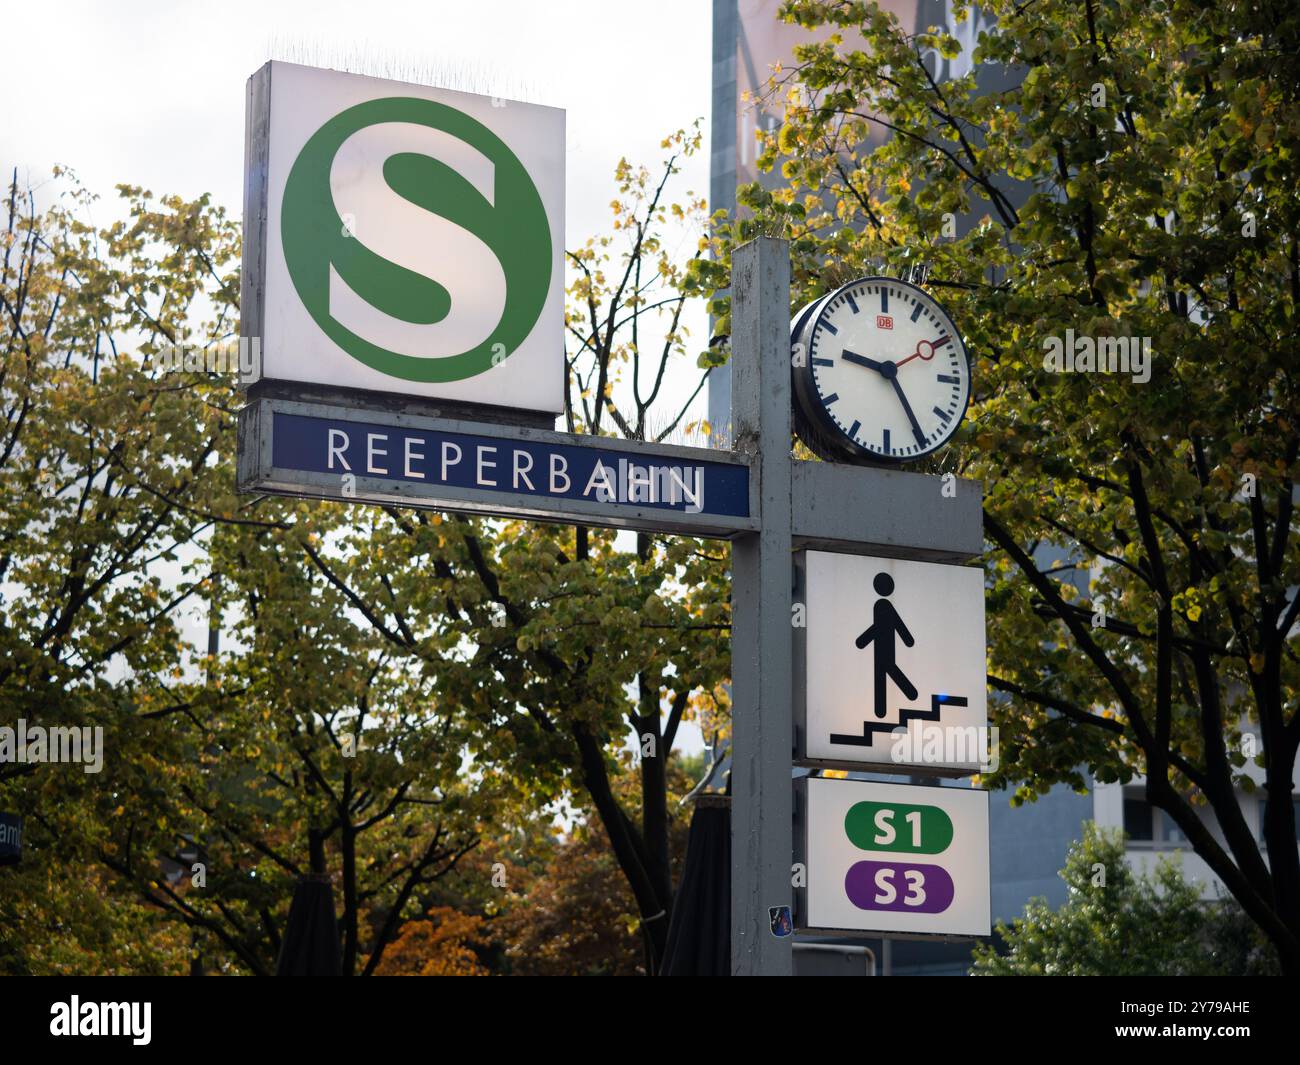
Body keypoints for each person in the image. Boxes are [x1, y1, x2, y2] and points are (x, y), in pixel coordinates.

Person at [854, 573, 918, 718]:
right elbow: (894, 625)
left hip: (883, 649)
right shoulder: (883, 605)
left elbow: (879, 627)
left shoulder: (881, 605)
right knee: (882, 676)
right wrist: (908, 640)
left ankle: (909, 694)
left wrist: (862, 641)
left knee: (886, 672)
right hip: (884, 648)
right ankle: (882, 710)